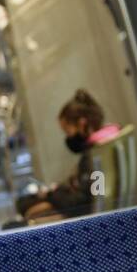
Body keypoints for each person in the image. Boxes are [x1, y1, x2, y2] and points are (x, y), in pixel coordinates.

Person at [14, 89, 122, 224]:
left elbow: (89, 200)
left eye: (68, 131)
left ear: (82, 124)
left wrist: (51, 196)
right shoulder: (99, 150)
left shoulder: (97, 155)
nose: (69, 137)